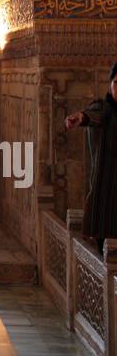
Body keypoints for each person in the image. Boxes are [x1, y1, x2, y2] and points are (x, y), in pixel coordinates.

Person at [65, 63, 117, 249]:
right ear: (110, 85)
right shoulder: (104, 108)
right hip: (106, 196)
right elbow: (92, 114)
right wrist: (80, 117)